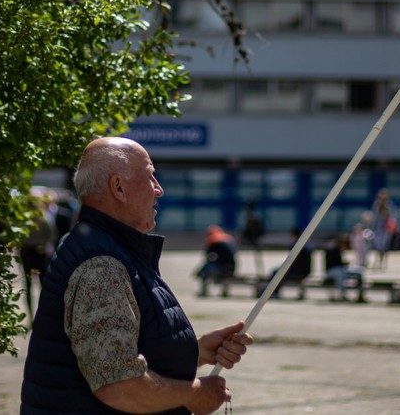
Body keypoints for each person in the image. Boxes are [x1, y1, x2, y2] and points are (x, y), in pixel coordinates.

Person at [21, 137, 252, 415]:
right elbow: (119, 387)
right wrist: (193, 394)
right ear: (118, 187)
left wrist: (194, 352)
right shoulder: (101, 263)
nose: (159, 189)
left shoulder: (109, 248)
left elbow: (120, 349)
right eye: (150, 176)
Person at [20, 188, 58, 318]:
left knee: (30, 286)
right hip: (38, 253)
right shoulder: (44, 217)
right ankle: (39, 316)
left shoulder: (24, 218)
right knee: (41, 286)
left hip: (29, 253)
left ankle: (33, 316)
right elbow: (52, 236)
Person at [269, 228, 313, 299]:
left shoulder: (297, 245)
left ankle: (274, 293)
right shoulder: (306, 245)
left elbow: (292, 261)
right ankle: (274, 292)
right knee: (278, 272)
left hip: (298, 271)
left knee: (277, 274)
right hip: (305, 271)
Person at [196, 225, 237, 297]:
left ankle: (204, 290)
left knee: (205, 270)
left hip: (219, 266)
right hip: (232, 265)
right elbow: (234, 252)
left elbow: (210, 256)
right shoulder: (228, 238)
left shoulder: (212, 239)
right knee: (225, 273)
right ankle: (225, 291)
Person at [323, 235, 365, 302]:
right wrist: (343, 264)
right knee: (340, 273)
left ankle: (360, 294)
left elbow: (339, 263)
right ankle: (342, 294)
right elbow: (334, 263)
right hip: (331, 271)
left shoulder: (338, 250)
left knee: (358, 271)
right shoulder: (333, 250)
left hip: (337, 270)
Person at [369, 188, 396, 270]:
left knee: (384, 247)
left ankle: (383, 262)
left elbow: (392, 217)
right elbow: (373, 217)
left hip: (386, 230)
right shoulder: (376, 205)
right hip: (377, 229)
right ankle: (377, 262)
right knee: (377, 246)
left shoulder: (389, 205)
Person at [241, 199, 265, 276]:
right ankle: (259, 272)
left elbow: (253, 228)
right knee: (256, 256)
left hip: (254, 238)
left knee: (257, 256)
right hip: (254, 238)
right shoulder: (254, 215)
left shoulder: (252, 216)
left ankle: (260, 272)